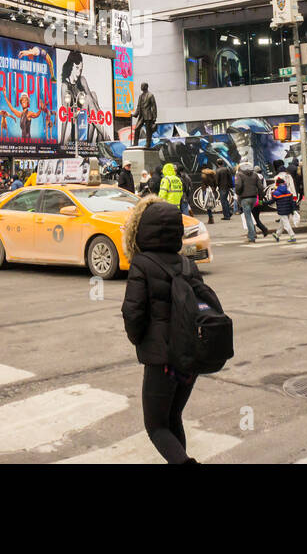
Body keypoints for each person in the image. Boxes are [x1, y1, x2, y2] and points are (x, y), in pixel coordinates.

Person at [120, 196, 207, 464]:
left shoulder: (142, 264)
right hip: (190, 356)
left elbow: (132, 312)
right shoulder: (186, 264)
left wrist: (140, 341)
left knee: (156, 426)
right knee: (172, 418)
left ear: (142, 229)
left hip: (162, 359)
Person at [233, 162, 263, 243]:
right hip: (254, 198)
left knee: (248, 217)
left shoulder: (239, 174)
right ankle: (252, 233)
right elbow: (260, 187)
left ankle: (251, 236)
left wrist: (239, 194)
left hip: (244, 198)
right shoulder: (255, 174)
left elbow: (238, 186)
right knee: (250, 215)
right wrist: (260, 199)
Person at [273, 176, 296, 242]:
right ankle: (277, 234)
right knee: (282, 223)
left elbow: (272, 201)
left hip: (282, 210)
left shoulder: (276, 193)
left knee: (286, 224)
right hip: (288, 209)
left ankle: (292, 236)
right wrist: (293, 209)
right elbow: (292, 202)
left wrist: (263, 202)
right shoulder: (288, 192)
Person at [134, 83, 158, 148]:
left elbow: (154, 107)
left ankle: (148, 144)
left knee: (148, 131)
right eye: (141, 85)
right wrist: (135, 114)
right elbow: (138, 106)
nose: (141, 87)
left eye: (142, 86)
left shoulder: (150, 95)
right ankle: (135, 144)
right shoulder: (140, 96)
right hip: (142, 116)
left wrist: (154, 117)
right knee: (136, 129)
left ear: (146, 86)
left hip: (148, 116)